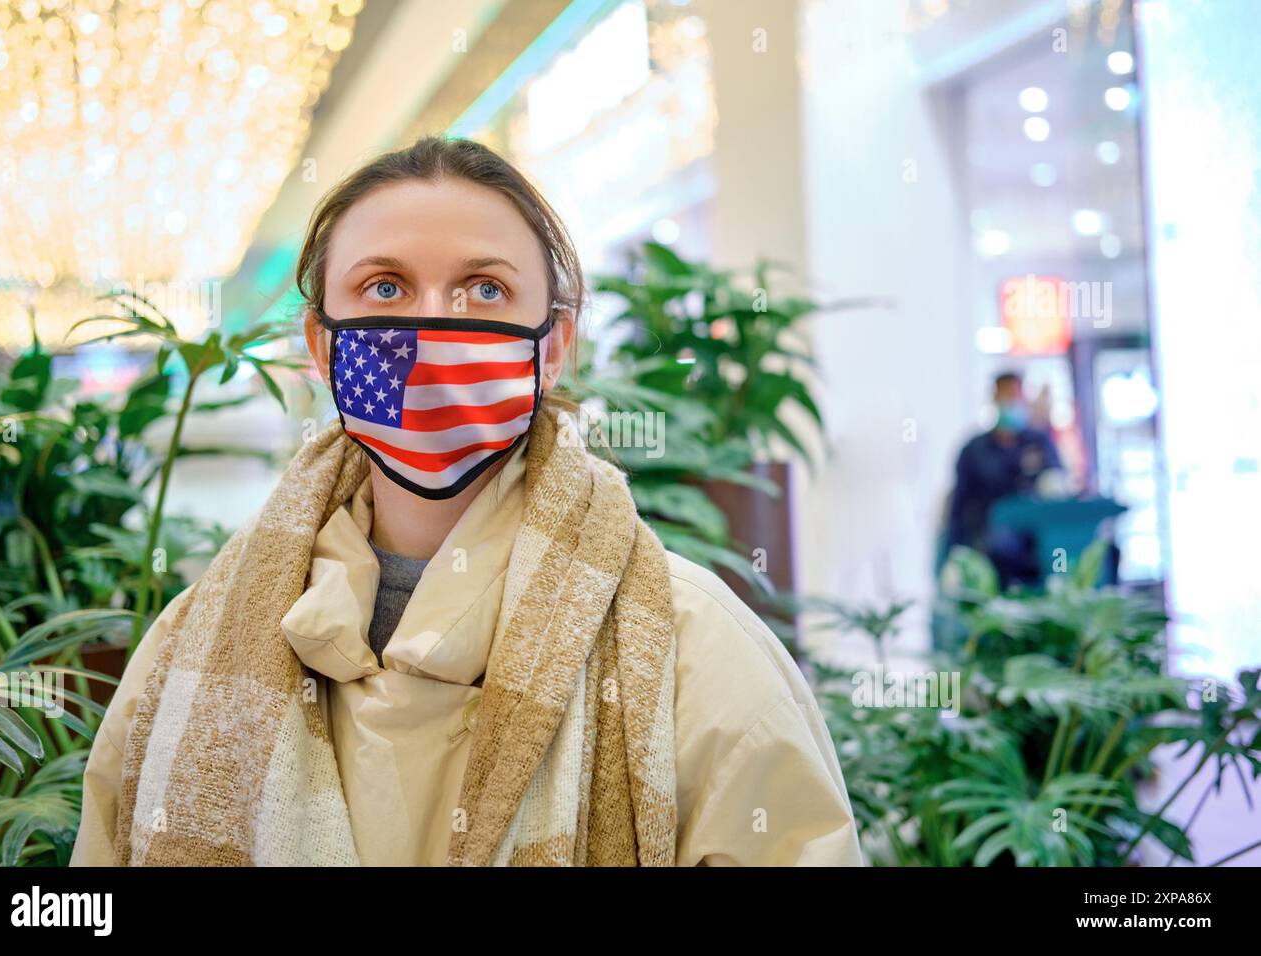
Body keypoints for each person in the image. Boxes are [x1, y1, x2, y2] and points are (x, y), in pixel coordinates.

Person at [69, 135, 863, 867]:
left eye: (484, 289)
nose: (433, 327)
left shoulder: (693, 650)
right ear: (321, 345)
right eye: (385, 286)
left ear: (551, 346)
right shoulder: (192, 641)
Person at [946, 371, 1064, 587]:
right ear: (994, 399)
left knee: (1063, 552)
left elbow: (1058, 484)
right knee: (1002, 546)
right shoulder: (974, 450)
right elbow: (959, 504)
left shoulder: (1039, 442)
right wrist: (953, 553)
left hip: (1037, 534)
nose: (1011, 402)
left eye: (1015, 396)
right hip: (991, 538)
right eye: (1005, 396)